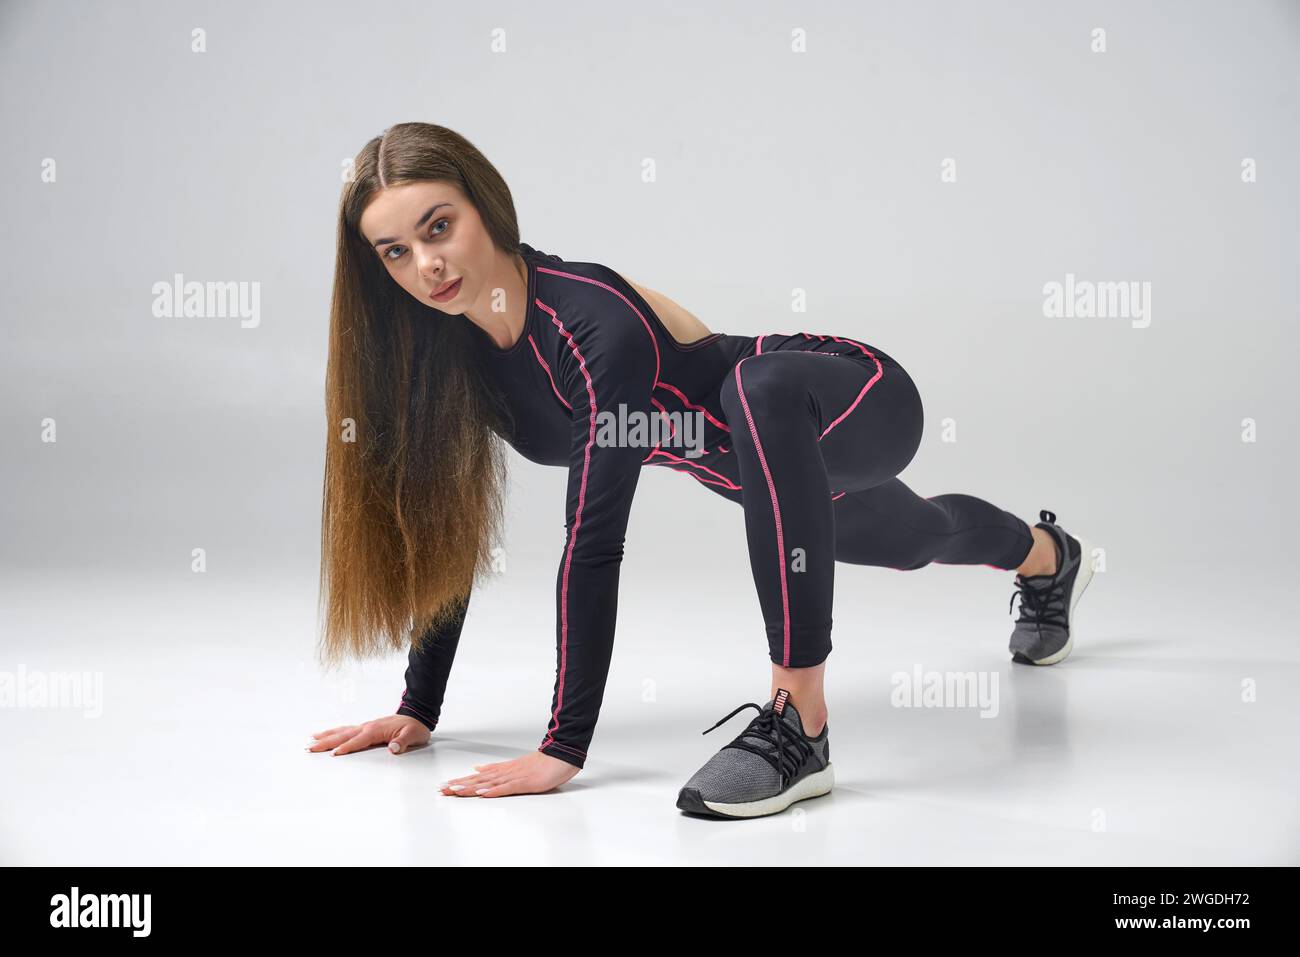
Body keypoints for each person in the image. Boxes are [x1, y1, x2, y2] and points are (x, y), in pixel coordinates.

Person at [307, 122, 1097, 819]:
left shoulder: (587, 324)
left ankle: (801, 724)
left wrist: (563, 747)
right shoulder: (458, 363)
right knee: (920, 535)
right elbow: (448, 522)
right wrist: (419, 707)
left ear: (488, 206)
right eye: (397, 252)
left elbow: (593, 541)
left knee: (754, 392)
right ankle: (1048, 557)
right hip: (763, 479)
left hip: (845, 399)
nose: (427, 264)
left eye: (438, 226)